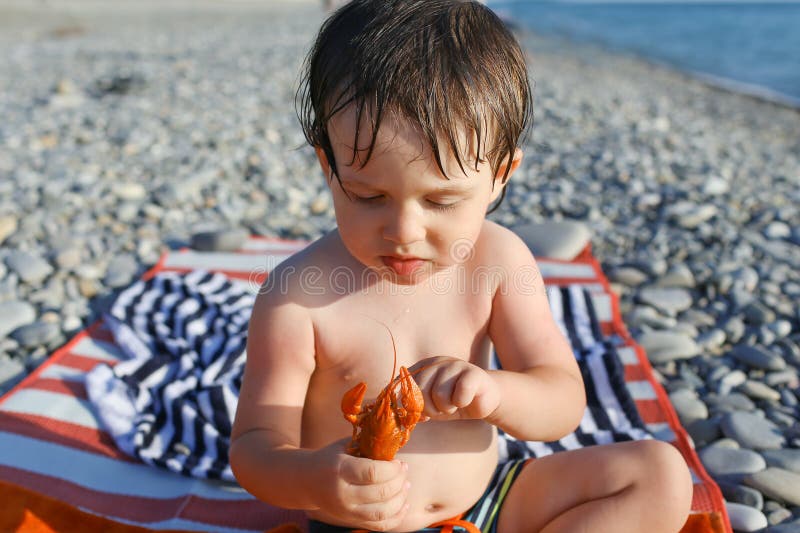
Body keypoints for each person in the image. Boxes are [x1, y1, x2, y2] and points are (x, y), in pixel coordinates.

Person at [229, 1, 694, 531]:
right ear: (327, 165)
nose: (404, 232)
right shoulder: (297, 296)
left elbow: (562, 400)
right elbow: (253, 449)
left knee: (658, 473)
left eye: (442, 202)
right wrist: (314, 478)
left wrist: (495, 393)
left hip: (488, 500)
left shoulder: (498, 263)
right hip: (362, 522)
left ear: (501, 174)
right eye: (367, 195)